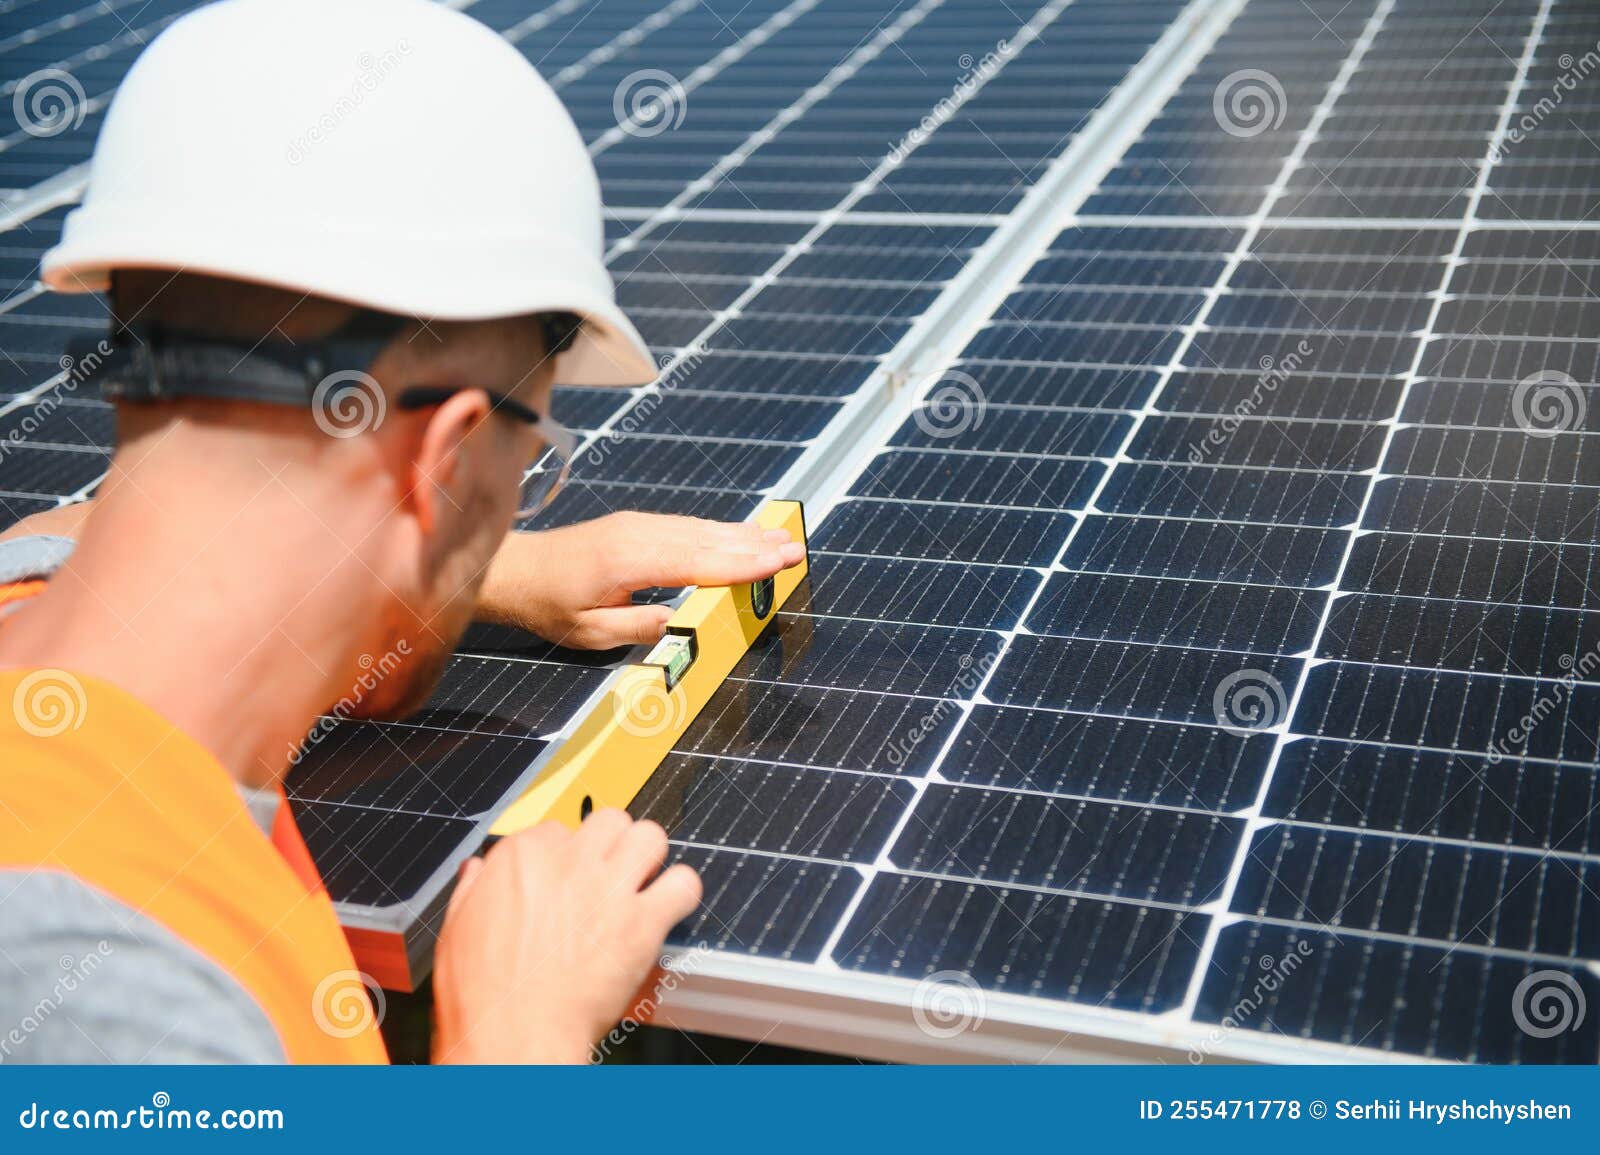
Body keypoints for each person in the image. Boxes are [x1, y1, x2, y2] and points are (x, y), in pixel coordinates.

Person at [0, 0, 802, 1064]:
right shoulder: (106, 996)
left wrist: (488, 567)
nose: (520, 508)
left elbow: (84, 534)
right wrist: (516, 1030)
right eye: (530, 473)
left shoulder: (41, 622)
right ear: (446, 460)